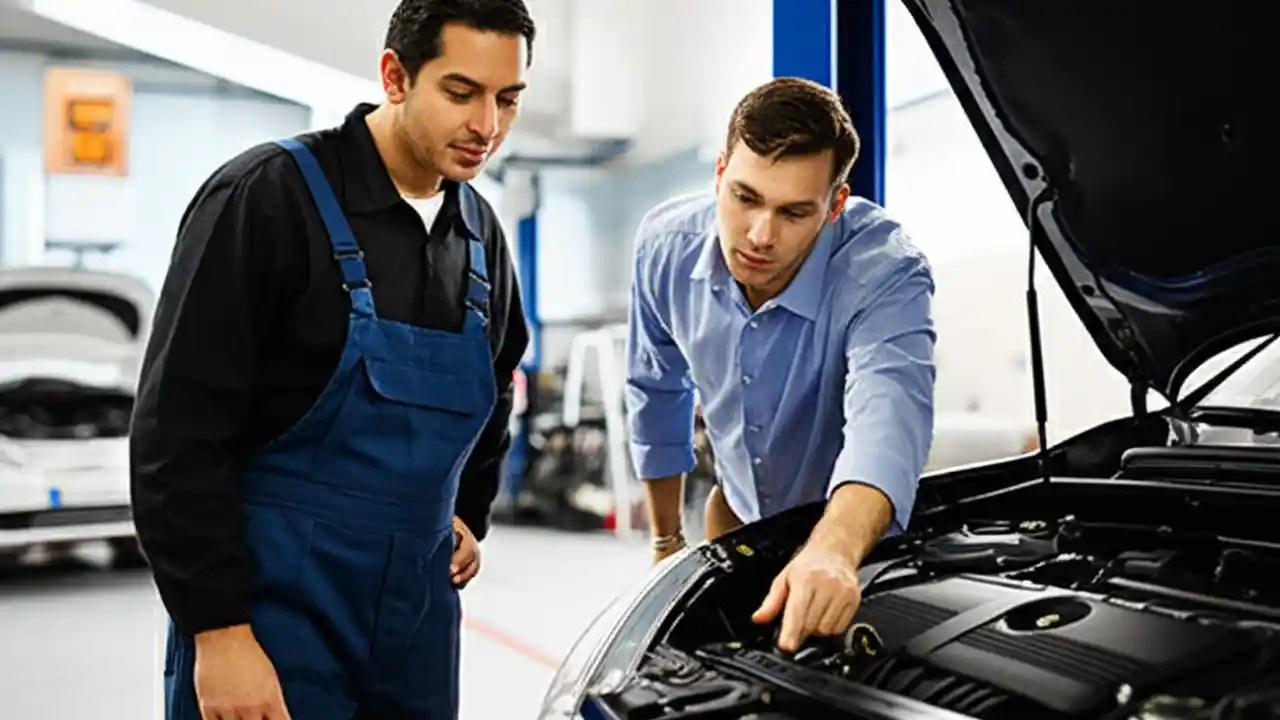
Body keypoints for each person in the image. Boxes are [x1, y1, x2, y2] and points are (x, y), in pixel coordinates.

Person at [129, 1, 534, 717]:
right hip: (274, 614)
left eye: (507, 99)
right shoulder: (268, 197)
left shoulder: (479, 235)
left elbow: (496, 385)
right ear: (395, 76)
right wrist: (219, 633)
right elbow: (175, 435)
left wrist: (469, 508)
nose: (487, 127)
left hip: (416, 626)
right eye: (461, 93)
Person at [624, 77, 936, 655]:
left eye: (795, 213)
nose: (760, 237)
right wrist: (666, 543)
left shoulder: (886, 273)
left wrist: (835, 548)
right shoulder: (664, 249)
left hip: (850, 541)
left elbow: (887, 417)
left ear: (835, 205)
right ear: (719, 173)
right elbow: (655, 390)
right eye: (745, 198)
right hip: (737, 519)